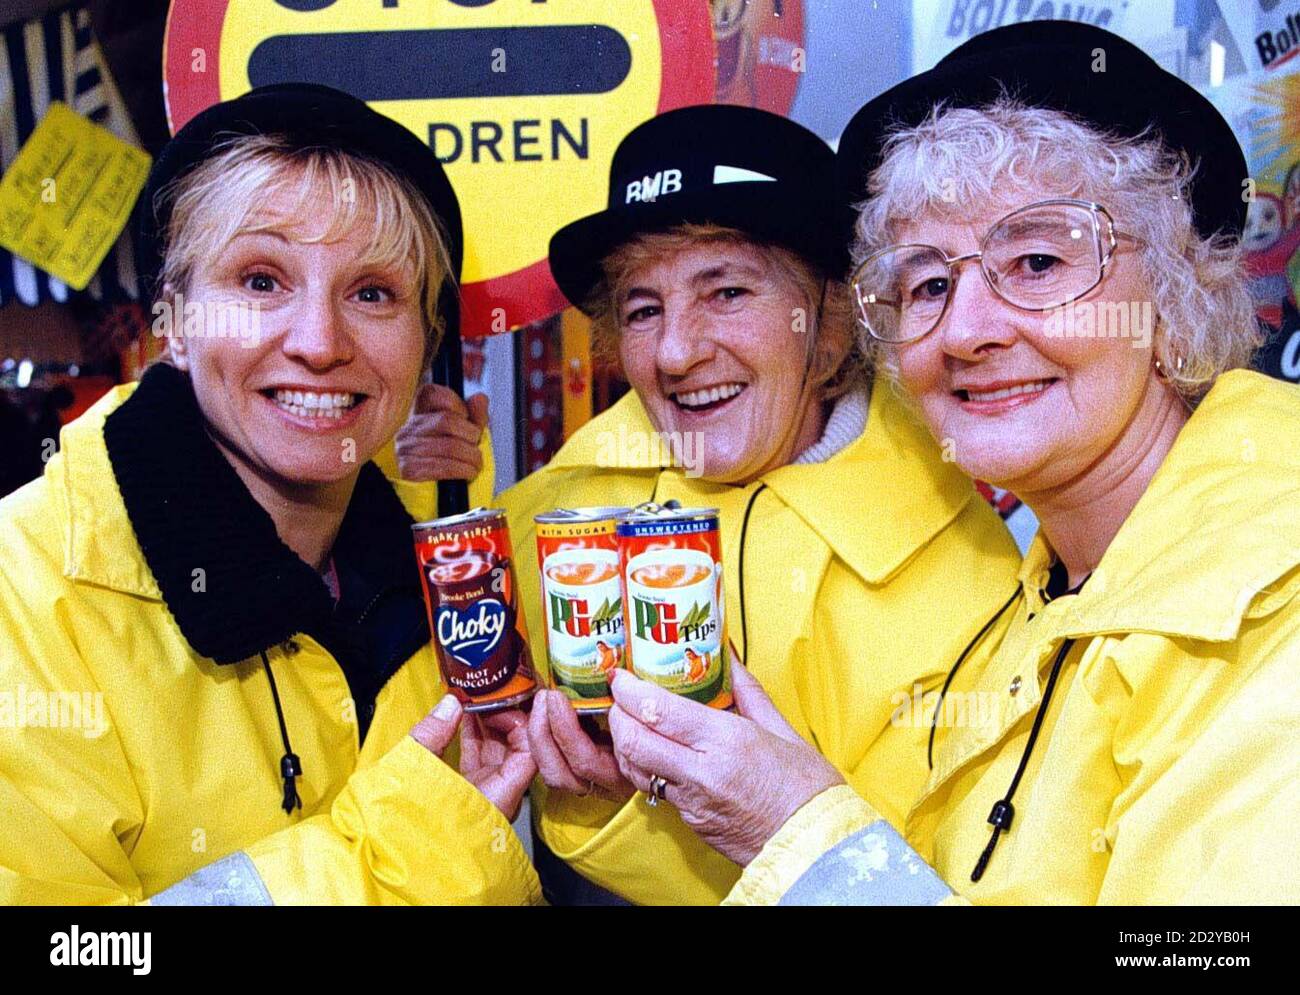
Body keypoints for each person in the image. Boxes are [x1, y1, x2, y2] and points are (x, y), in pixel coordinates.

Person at [605, 21, 1300, 905]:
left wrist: (801, 834)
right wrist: (698, 799)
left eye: (1038, 260)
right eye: (929, 283)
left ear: (1174, 294)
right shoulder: (1040, 608)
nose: (967, 330)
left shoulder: (1274, 613)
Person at [398, 104, 1022, 904]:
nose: (677, 352)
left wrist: (729, 823)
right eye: (643, 308)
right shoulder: (545, 521)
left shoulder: (975, 580)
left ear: (830, 320)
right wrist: (414, 491)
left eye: (726, 290)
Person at [0, 84, 540, 905]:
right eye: (260, 281)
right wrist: (404, 855)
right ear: (174, 321)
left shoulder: (452, 573)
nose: (320, 343)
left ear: (427, 341)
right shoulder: (24, 594)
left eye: (373, 292)